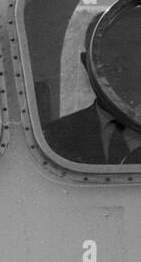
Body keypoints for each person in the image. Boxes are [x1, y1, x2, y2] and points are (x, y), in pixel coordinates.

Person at [44, 25, 141, 165]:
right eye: (111, 45)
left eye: (134, 44)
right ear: (86, 62)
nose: (122, 56)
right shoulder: (52, 138)